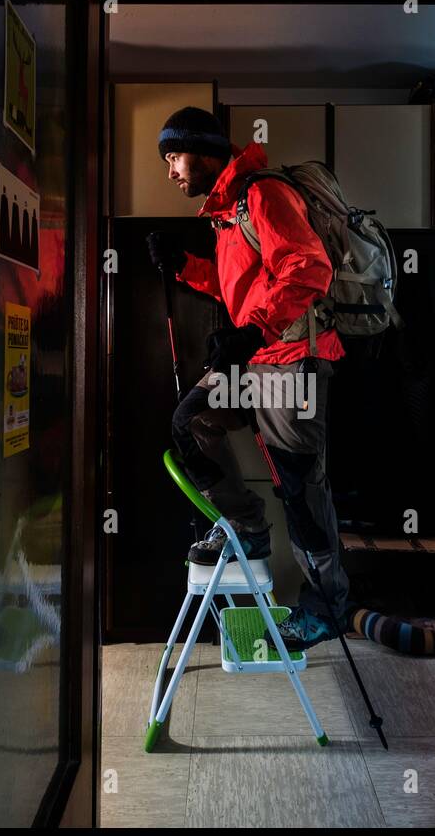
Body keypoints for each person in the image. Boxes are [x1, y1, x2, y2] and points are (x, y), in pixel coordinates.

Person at [145, 106, 350, 650]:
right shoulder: (228, 212)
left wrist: (252, 334)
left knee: (300, 488)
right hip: (259, 361)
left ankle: (326, 606)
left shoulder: (262, 195)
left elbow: (309, 269)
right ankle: (246, 527)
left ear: (206, 150)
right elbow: (242, 287)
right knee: (192, 420)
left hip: (293, 364)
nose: (171, 171)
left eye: (174, 157)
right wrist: (184, 266)